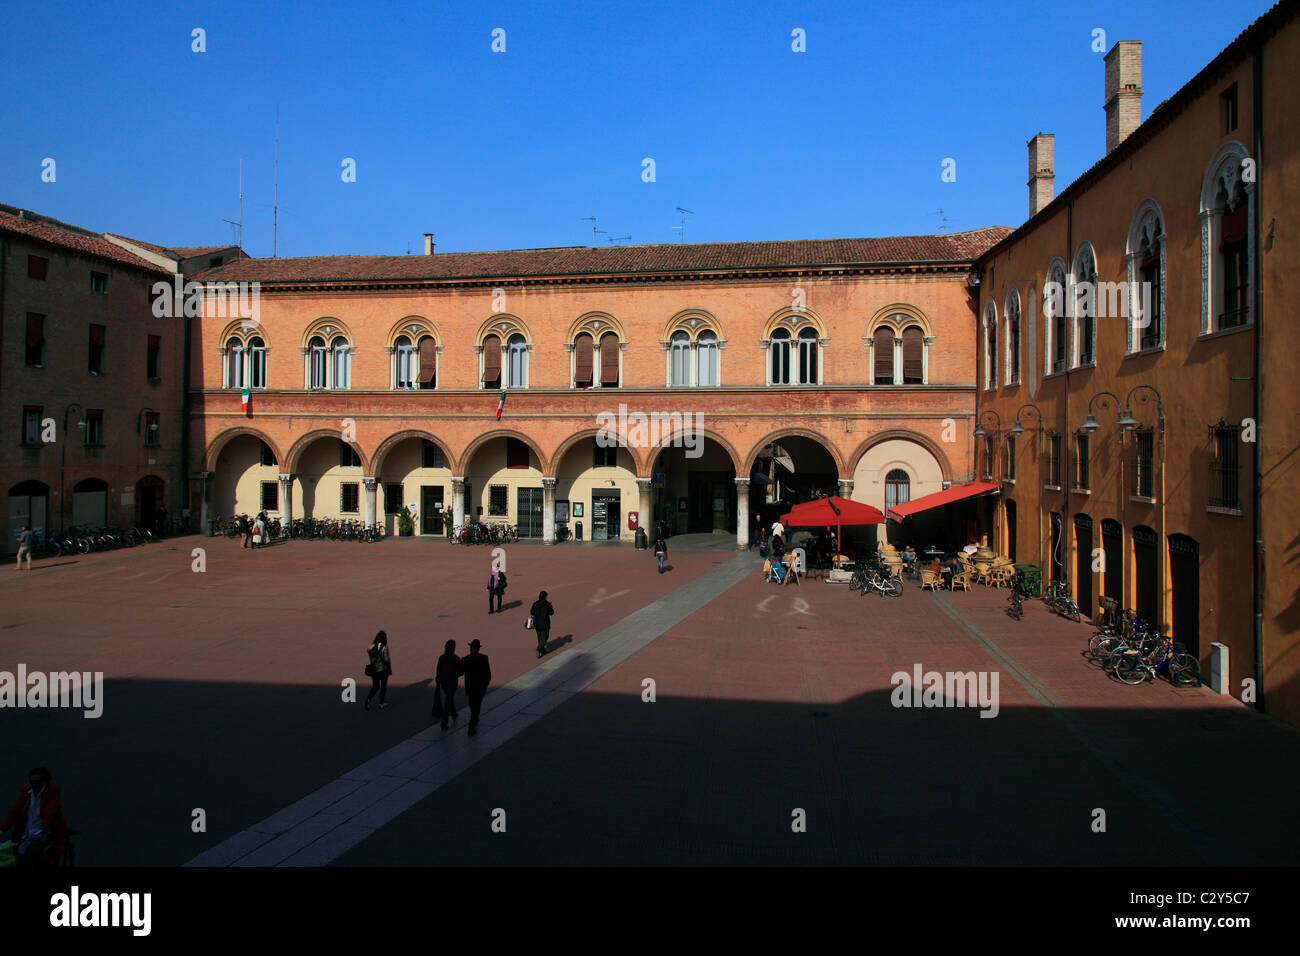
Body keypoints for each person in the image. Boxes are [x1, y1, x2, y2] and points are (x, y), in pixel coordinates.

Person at [1, 767, 69, 868]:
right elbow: (14, 812)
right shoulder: (27, 792)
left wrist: (41, 831)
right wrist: (1, 830)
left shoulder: (52, 792)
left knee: (35, 854)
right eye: (32, 782)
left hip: (44, 835)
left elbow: (50, 813)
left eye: (38, 782)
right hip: (27, 836)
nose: (34, 785)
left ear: (45, 781)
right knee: (18, 858)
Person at [461, 639, 492, 736]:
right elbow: (488, 673)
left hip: (470, 686)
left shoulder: (465, 659)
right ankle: (472, 723)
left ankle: (474, 720)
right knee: (477, 705)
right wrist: (486, 683)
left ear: (471, 648)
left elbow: (460, 672)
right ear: (478, 648)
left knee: (472, 704)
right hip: (480, 686)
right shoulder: (484, 658)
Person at [436, 639, 461, 730]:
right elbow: (460, 672)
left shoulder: (442, 657)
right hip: (452, 683)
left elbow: (438, 670)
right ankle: (444, 722)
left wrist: (438, 681)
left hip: (444, 683)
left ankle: (453, 713)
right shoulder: (456, 659)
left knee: (449, 698)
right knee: (448, 701)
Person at [364, 631, 392, 710]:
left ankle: (368, 699)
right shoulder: (384, 647)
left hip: (374, 670)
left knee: (375, 686)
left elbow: (371, 656)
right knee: (383, 687)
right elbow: (386, 660)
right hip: (384, 670)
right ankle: (381, 703)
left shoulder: (371, 647)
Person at [530, 590, 555, 658]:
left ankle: (542, 650)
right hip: (544, 624)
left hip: (536, 623)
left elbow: (532, 612)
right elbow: (551, 613)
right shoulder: (547, 604)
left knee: (540, 637)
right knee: (545, 638)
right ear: (545, 597)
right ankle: (539, 648)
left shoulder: (535, 604)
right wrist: (550, 606)